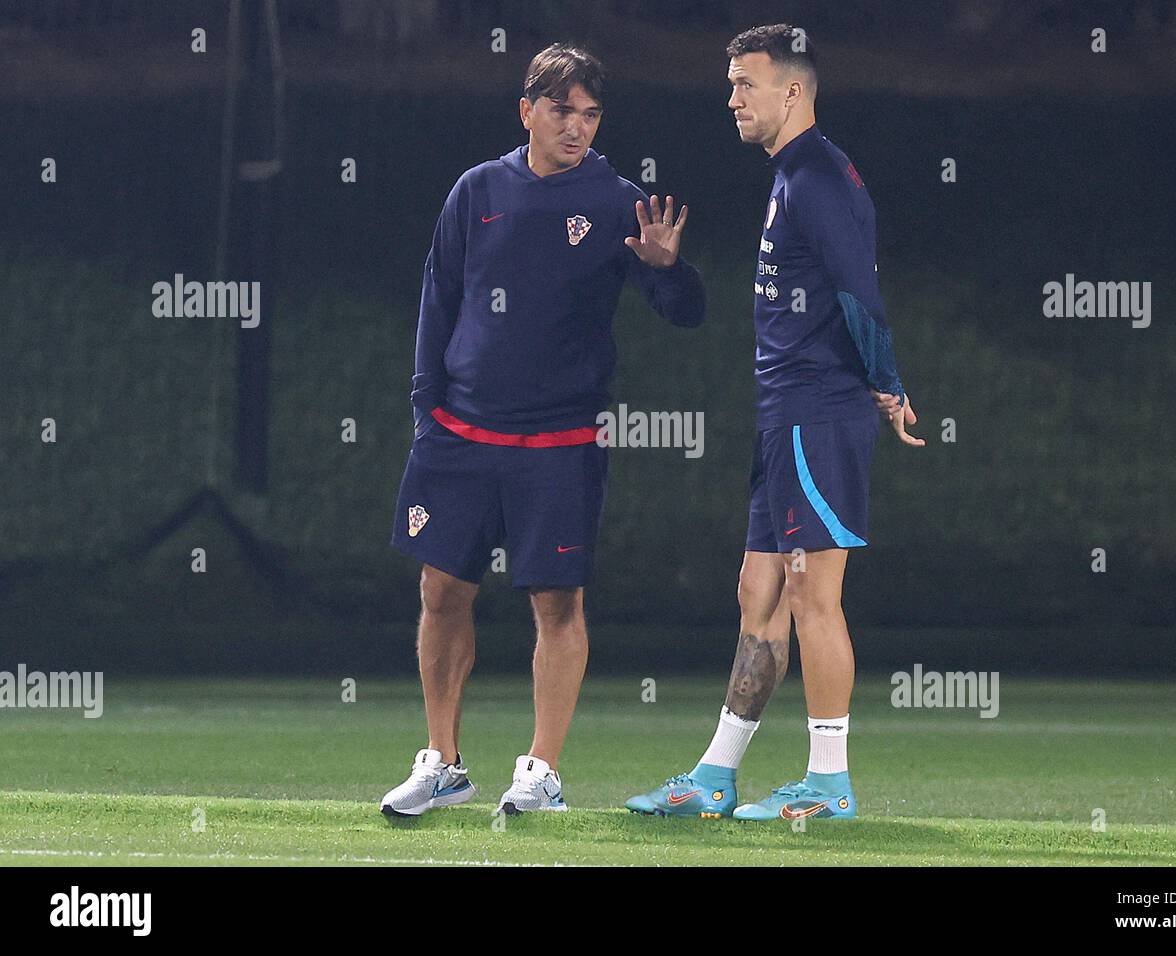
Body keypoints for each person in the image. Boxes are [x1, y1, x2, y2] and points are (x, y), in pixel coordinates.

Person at [382, 42, 705, 817]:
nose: (578, 126)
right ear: (527, 110)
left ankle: (541, 771)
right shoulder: (478, 190)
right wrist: (427, 407)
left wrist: (666, 267)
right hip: (460, 432)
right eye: (562, 109)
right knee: (440, 590)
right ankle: (444, 764)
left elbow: (686, 313)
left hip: (559, 439)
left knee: (556, 605)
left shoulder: (617, 199)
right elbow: (440, 294)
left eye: (591, 114)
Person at [626, 23, 923, 821]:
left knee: (809, 593)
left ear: (792, 91)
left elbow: (860, 291)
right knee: (757, 590)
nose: (732, 98)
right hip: (783, 416)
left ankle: (831, 782)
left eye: (744, 83)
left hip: (818, 416)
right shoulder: (794, 173)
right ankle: (714, 777)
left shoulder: (817, 176)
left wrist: (887, 384)